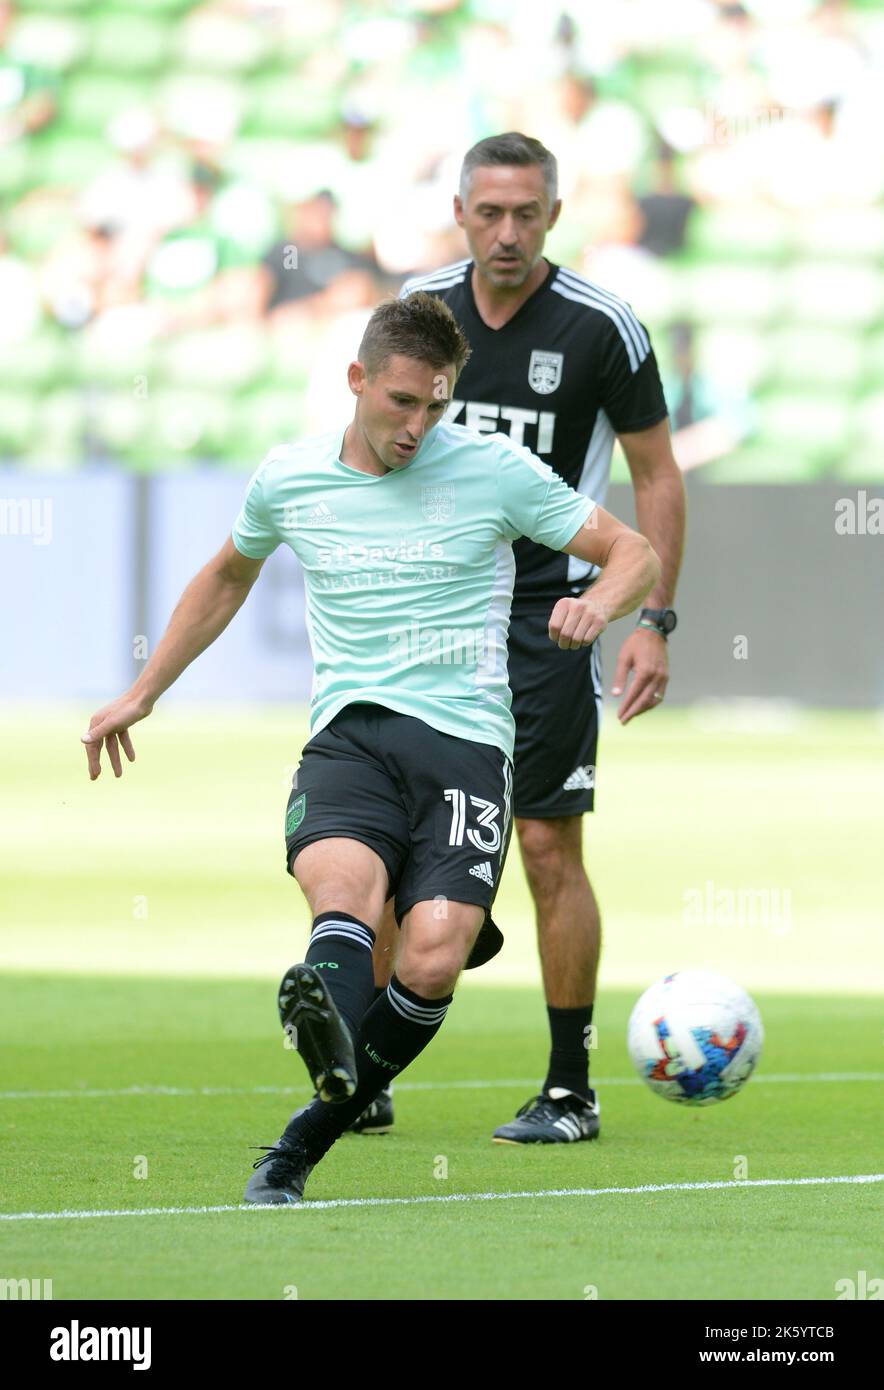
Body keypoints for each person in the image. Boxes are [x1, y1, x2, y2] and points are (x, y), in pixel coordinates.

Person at [81, 292, 660, 1204]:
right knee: (343, 899)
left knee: (432, 953)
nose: (419, 426)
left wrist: (602, 602)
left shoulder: (494, 471)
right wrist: (142, 692)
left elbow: (634, 549)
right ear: (357, 380)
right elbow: (228, 575)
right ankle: (305, 1123)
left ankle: (318, 1089)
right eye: (401, 402)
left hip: (465, 742)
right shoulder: (290, 477)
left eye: (437, 405)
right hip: (348, 736)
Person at [359, 132, 685, 1145]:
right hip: (429, 615)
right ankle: (366, 1076)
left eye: (526, 214)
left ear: (553, 215)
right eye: (488, 212)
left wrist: (653, 619)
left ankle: (567, 1089)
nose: (507, 232)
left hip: (550, 621)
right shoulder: (422, 311)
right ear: (458, 211)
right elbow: (374, 439)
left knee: (547, 843)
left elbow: (656, 476)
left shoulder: (600, 328)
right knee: (381, 839)